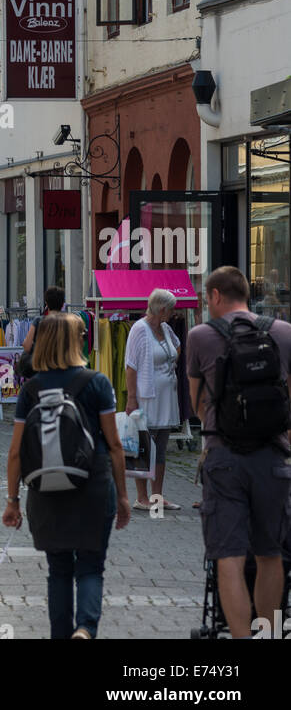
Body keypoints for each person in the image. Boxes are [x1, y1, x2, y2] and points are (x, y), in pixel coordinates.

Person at [3, 312, 131, 640]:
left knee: (58, 570)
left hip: (45, 488)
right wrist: (124, 495)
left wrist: (13, 500)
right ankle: (85, 629)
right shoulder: (97, 382)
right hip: (92, 484)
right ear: (78, 340)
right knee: (90, 566)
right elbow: (115, 445)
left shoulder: (31, 389)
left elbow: (16, 451)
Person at [188, 265, 291, 640]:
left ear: (216, 296)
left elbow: (196, 403)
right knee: (270, 553)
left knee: (228, 557)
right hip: (274, 458)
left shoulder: (200, 336)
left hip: (224, 458)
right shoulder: (283, 333)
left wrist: (220, 426)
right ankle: (268, 634)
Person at [124, 287, 181, 511]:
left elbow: (177, 346)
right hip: (146, 397)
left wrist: (170, 364)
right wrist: (131, 398)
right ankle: (141, 497)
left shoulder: (165, 328)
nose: (174, 313)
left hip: (166, 397)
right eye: (172, 309)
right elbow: (131, 366)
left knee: (162, 447)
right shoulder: (139, 329)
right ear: (162, 309)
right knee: (144, 447)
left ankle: (157, 496)